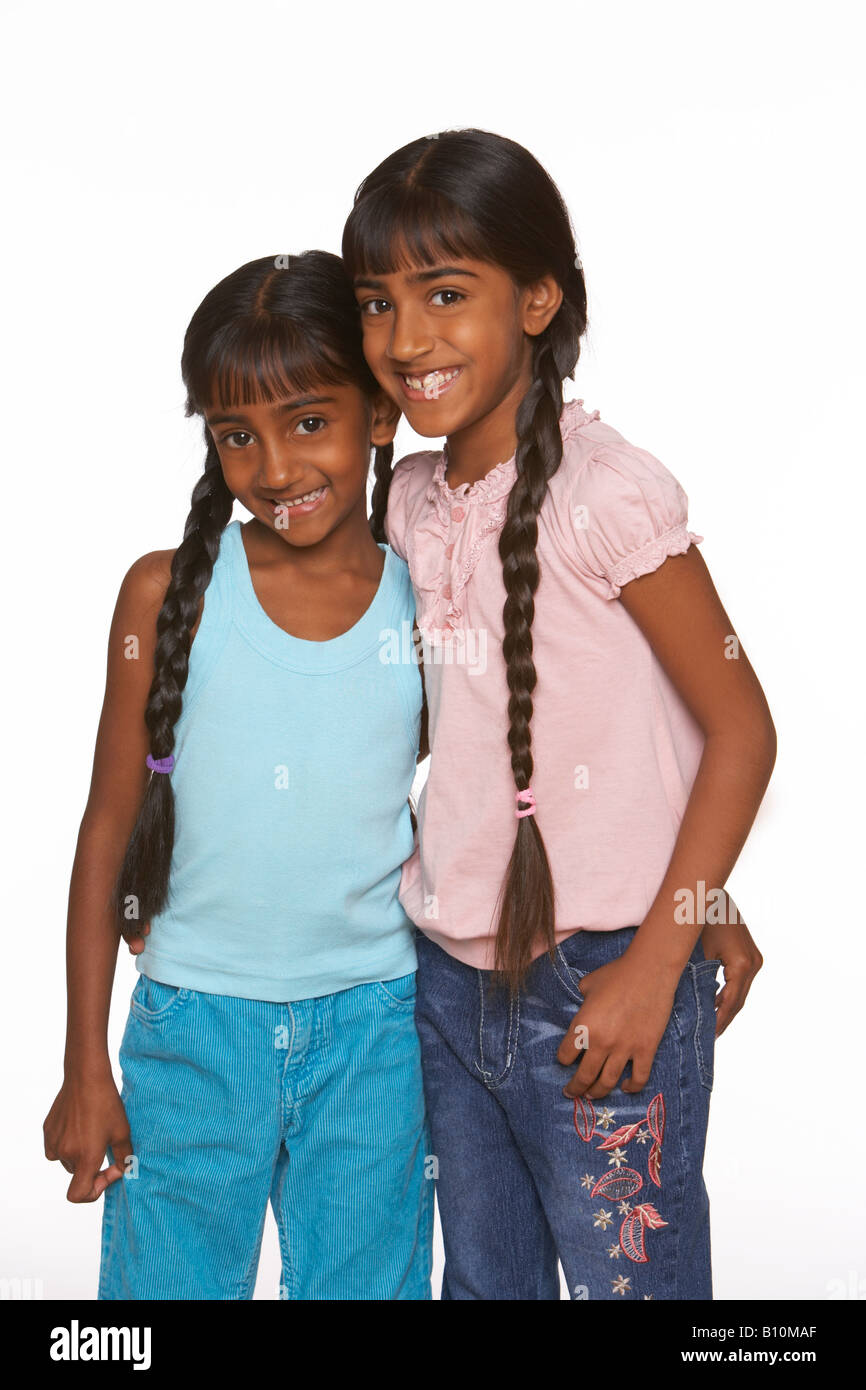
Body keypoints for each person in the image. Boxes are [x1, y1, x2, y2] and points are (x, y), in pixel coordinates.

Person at [341, 129, 774, 1300]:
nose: (407, 338)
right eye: (376, 304)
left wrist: (667, 942)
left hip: (604, 976)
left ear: (537, 299)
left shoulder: (606, 494)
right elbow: (510, 739)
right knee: (485, 1285)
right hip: (445, 978)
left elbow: (740, 727)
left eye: (444, 294)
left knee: (634, 1283)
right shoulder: (416, 501)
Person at [43, 251, 433, 1301]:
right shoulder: (166, 592)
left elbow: (504, 774)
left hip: (375, 1033)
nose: (272, 466)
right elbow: (105, 828)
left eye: (308, 421)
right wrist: (87, 1061)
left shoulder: (428, 594)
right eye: (235, 435)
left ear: (378, 415)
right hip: (191, 1031)